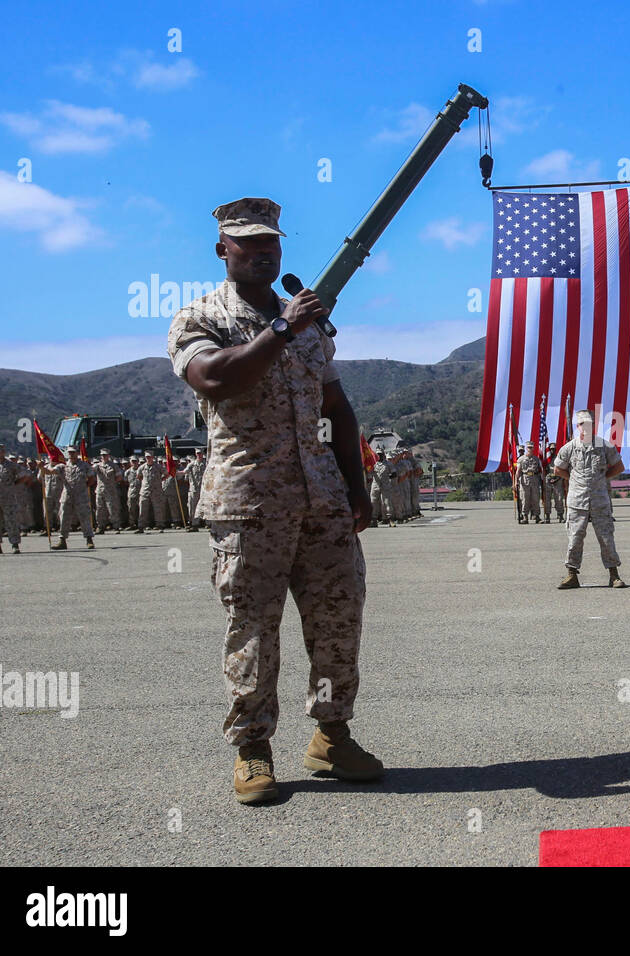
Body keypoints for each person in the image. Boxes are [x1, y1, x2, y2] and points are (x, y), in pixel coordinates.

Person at [168, 196, 381, 805]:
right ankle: (253, 751)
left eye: (272, 243)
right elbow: (216, 378)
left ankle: (332, 736)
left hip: (323, 501)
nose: (263, 252)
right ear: (223, 251)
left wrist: (356, 487)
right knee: (254, 631)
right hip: (248, 503)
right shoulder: (198, 318)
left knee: (339, 621)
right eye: (249, 244)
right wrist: (284, 327)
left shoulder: (310, 327)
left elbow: (337, 410)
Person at [553, 409, 625, 589]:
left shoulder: (605, 446)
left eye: (590, 424)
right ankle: (571, 575)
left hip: (599, 499)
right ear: (578, 426)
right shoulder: (569, 447)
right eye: (583, 424)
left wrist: (601, 479)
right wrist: (576, 481)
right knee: (575, 538)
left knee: (606, 537)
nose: (586, 428)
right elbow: (558, 469)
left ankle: (614, 575)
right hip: (577, 500)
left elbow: (619, 467)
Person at [0, 444, 29, 555]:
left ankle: (15, 545)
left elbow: (25, 475)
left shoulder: (11, 465)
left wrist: (14, 484)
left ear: (3, 452)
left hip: (8, 499)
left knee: (11, 522)